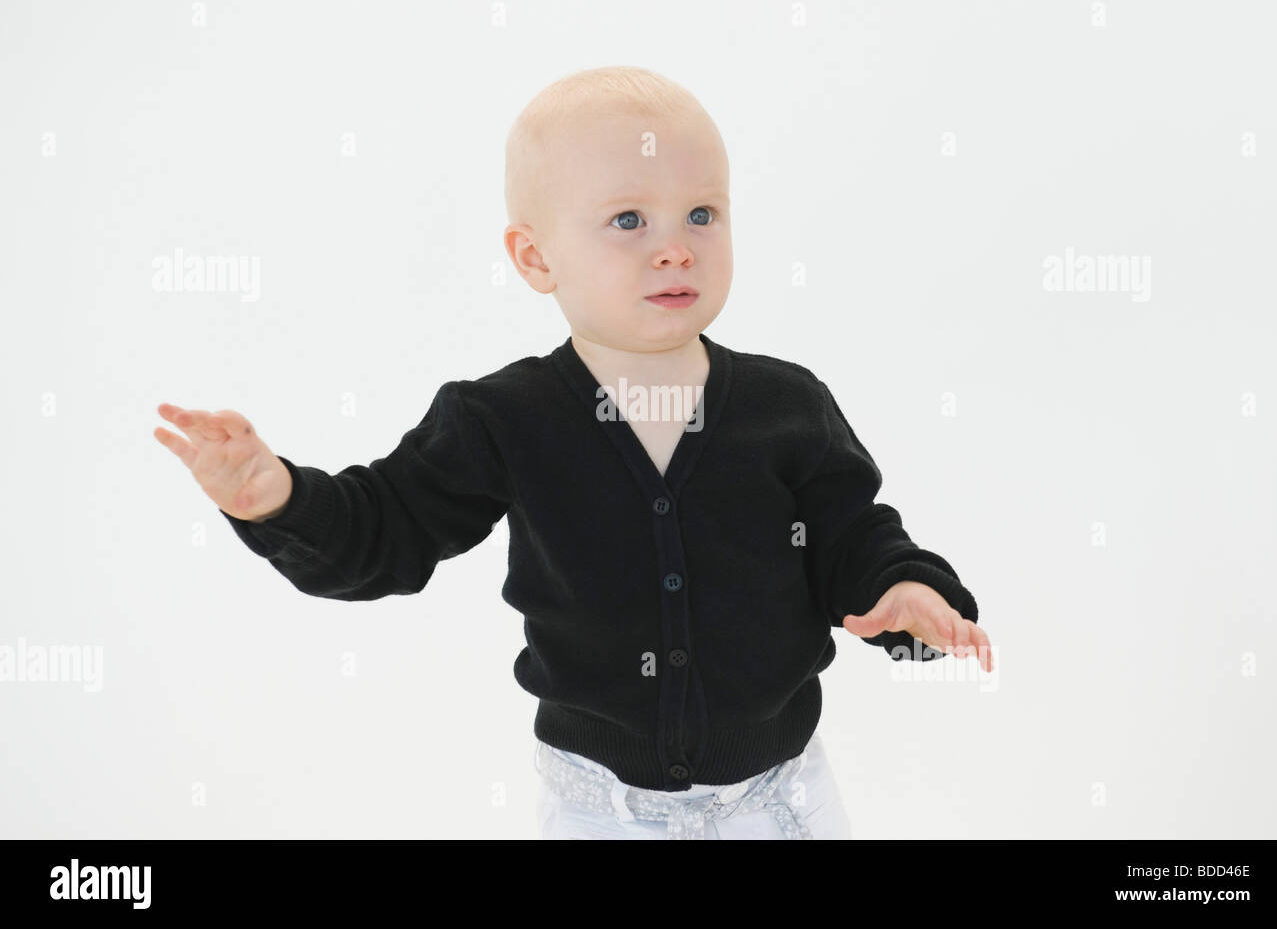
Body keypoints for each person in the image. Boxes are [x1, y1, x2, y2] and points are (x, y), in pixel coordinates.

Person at [154, 65, 993, 840]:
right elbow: (390, 531)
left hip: (780, 803)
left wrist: (908, 593)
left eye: (702, 213)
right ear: (534, 257)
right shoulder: (503, 419)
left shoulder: (787, 405)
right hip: (600, 811)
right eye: (628, 220)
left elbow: (854, 539)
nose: (675, 247)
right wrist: (277, 499)